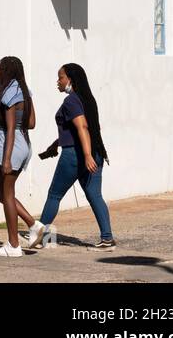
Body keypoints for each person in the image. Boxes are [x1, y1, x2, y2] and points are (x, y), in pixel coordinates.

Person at [26, 63, 115, 250]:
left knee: (54, 195)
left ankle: (40, 239)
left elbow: (82, 126)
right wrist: (57, 143)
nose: (58, 82)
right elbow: (81, 129)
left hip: (76, 155)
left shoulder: (71, 101)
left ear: (70, 80)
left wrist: (86, 155)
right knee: (95, 195)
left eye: (60, 78)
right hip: (94, 152)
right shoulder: (87, 99)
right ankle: (107, 239)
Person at [0, 56, 37, 257]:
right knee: (0, 193)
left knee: (6, 194)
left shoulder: (9, 92)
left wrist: (7, 159)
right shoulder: (23, 91)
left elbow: (9, 128)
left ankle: (14, 245)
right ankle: (34, 226)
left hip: (9, 144)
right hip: (23, 142)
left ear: (6, 70)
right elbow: (32, 123)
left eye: (0, 68)